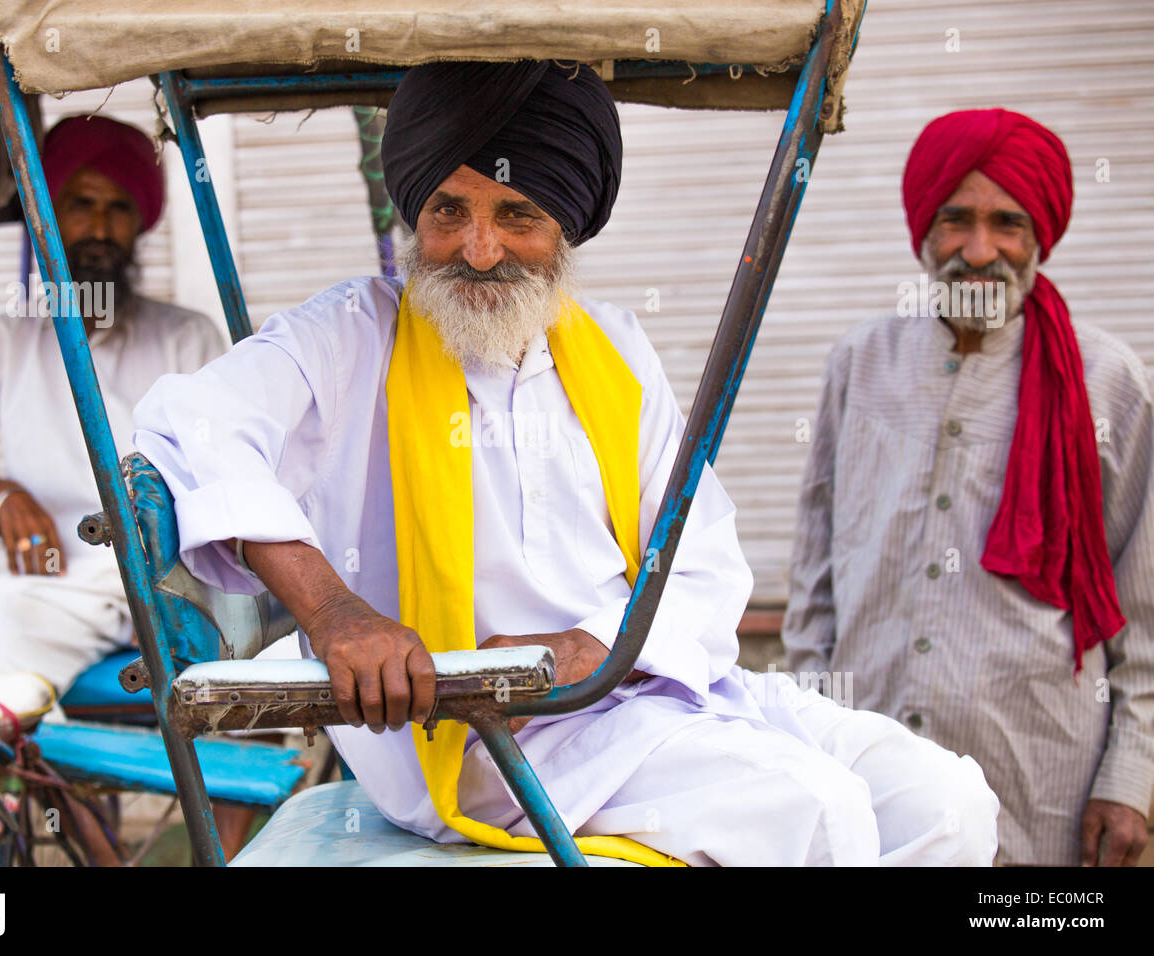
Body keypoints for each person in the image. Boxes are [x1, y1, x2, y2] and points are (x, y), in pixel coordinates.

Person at [133, 61, 999, 866]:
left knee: (949, 802)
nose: (479, 249)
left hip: (647, 686)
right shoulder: (349, 335)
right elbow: (188, 427)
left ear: (566, 224)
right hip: (483, 734)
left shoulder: (615, 347)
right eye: (448, 212)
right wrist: (334, 612)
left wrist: (592, 648)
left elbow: (699, 559)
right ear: (414, 213)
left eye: (517, 214)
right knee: (816, 810)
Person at [783, 109, 1153, 866]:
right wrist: (806, 729)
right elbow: (815, 577)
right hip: (867, 776)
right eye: (957, 221)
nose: (980, 251)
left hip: (1039, 786)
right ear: (925, 229)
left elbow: (1145, 611)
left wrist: (1133, 774)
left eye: (1006, 224)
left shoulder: (1108, 384)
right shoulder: (860, 363)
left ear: (1039, 235)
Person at [0, 114, 226, 707]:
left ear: (140, 223)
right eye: (81, 204)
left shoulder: (188, 337)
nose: (100, 228)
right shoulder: (4, 343)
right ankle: (31, 774)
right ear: (50, 217)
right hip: (65, 588)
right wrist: (1, 494)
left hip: (179, 580)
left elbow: (226, 469)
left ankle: (238, 802)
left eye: (119, 208)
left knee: (272, 664)